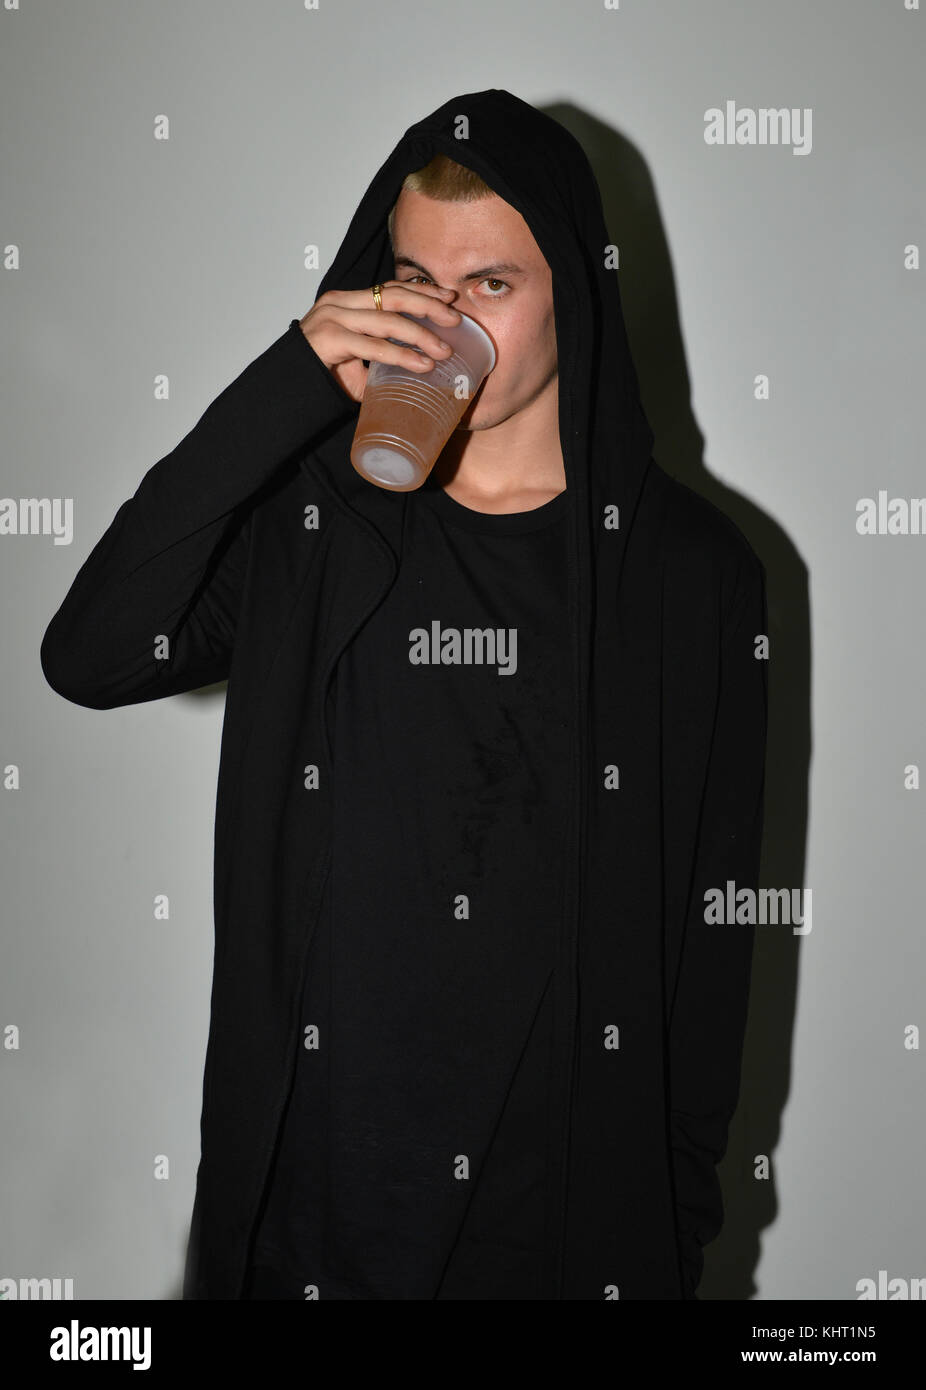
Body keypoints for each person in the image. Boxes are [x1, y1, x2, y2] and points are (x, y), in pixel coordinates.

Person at [40, 88, 768, 1300]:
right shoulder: (318, 524)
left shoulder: (689, 574)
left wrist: (674, 1237)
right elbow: (90, 654)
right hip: (310, 1223)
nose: (443, 323)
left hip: (557, 1237)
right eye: (416, 282)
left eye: (490, 285)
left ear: (574, 292)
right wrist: (287, 384)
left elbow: (708, 938)